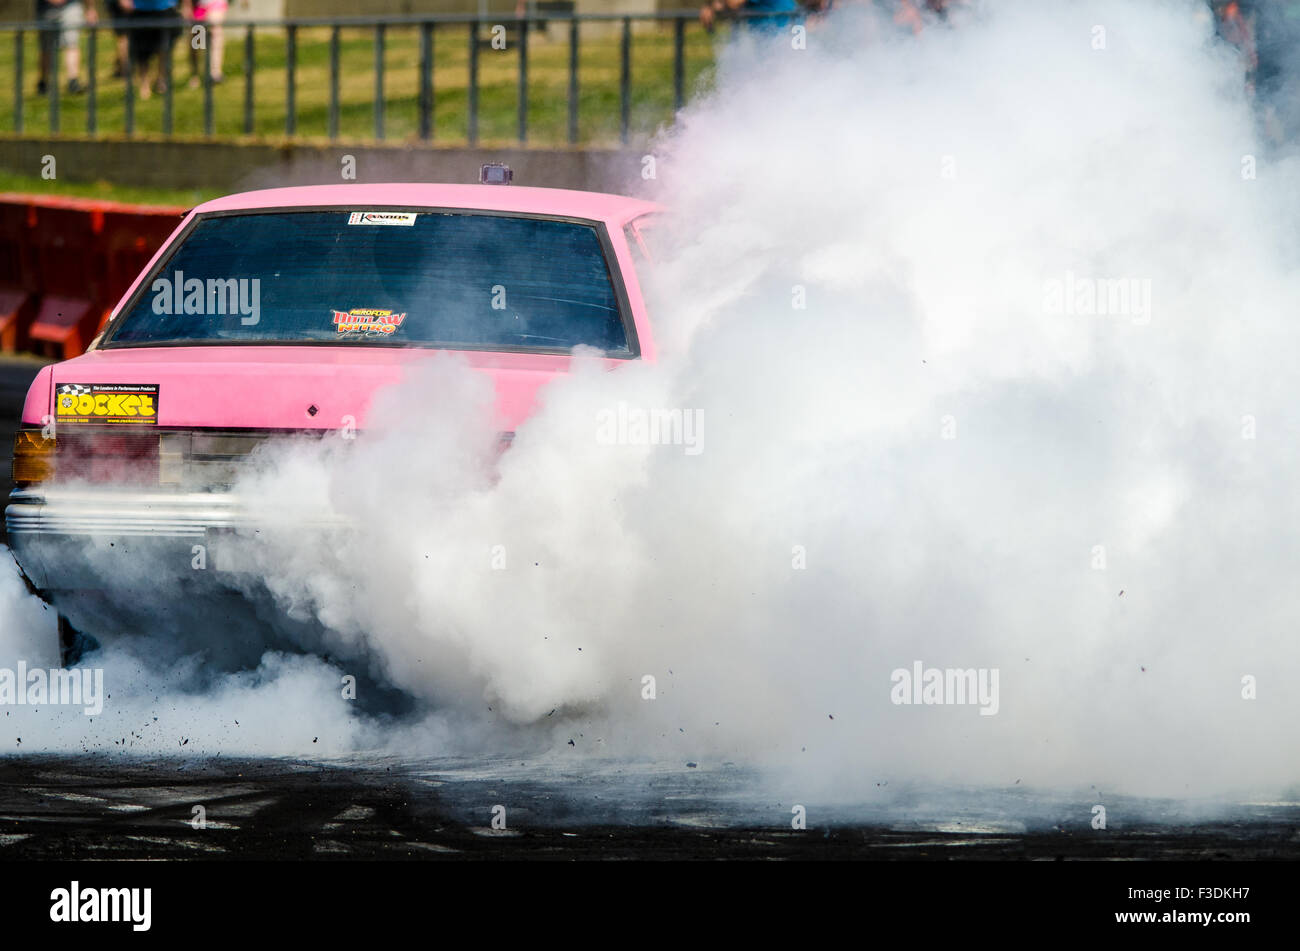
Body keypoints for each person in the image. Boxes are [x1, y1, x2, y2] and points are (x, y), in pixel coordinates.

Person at [119, 0, 189, 100]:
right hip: (140, 9)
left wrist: (186, 5)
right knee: (142, 52)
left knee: (165, 48)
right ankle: (144, 84)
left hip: (165, 7)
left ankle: (161, 79)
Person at [35, 0, 98, 95]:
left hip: (71, 6)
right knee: (47, 47)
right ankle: (44, 82)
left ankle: (73, 81)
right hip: (46, 8)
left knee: (72, 43)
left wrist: (90, 8)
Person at [699, 0, 802, 36]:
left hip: (789, 37)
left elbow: (733, 3)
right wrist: (711, 6)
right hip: (769, 42)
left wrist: (712, 7)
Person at [188, 0, 227, 87]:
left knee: (215, 37)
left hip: (216, 5)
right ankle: (195, 74)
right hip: (198, 7)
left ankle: (215, 73)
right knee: (197, 43)